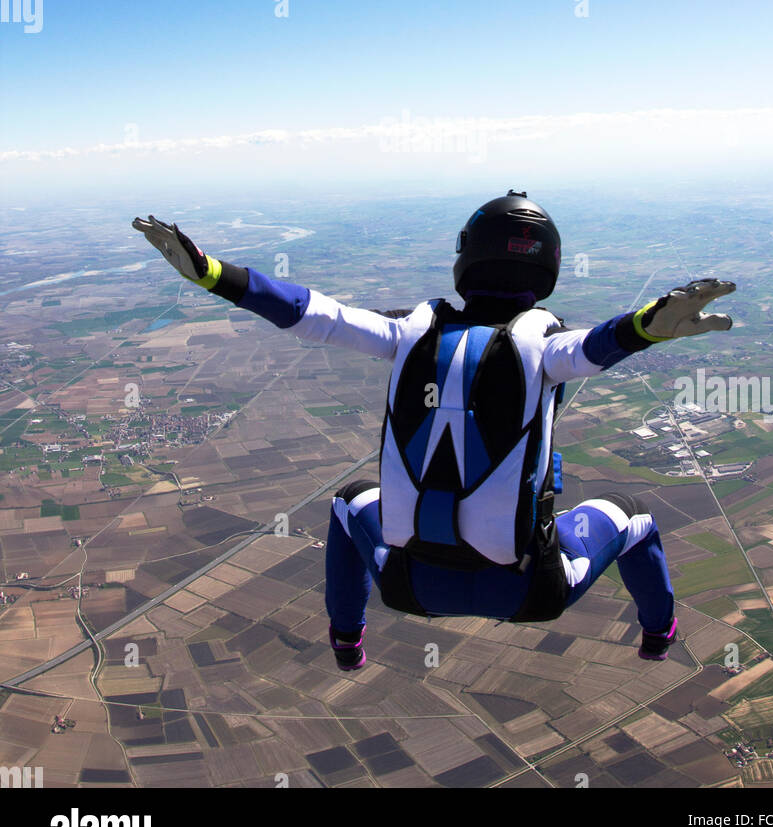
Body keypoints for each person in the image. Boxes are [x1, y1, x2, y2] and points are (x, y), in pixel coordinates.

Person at [132, 192, 735, 671]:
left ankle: (347, 643)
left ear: (465, 258)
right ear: (548, 266)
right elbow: (600, 347)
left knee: (348, 503)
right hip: (531, 591)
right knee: (634, 514)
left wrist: (213, 274)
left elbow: (310, 313)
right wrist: (649, 327)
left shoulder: (406, 334)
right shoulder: (546, 347)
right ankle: (659, 636)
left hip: (406, 583)